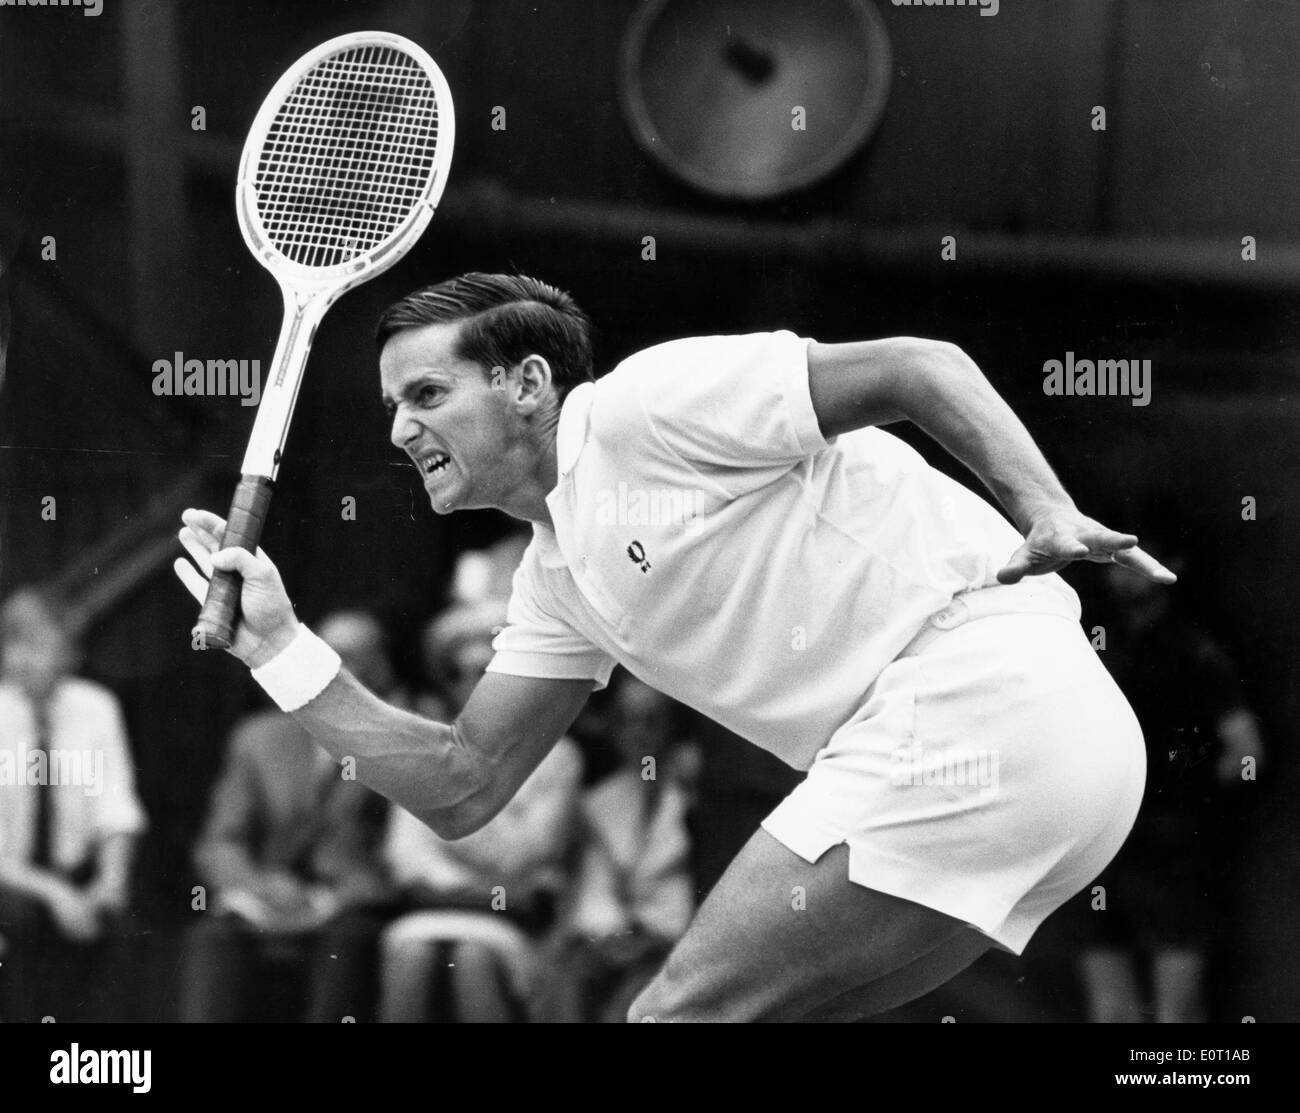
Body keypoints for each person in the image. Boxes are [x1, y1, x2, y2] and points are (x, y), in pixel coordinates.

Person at [175, 272, 1176, 1022]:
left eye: (428, 395)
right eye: (393, 405)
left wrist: (1042, 508)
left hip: (981, 696)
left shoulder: (645, 407)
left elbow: (920, 368)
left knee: (671, 1018)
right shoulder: (554, 581)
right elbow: (463, 783)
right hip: (1071, 769)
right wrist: (280, 649)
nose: (399, 430)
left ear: (527, 383)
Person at [1076, 543, 1263, 1023]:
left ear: (1173, 566)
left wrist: (1187, 793)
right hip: (1102, 848)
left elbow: (1247, 753)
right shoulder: (1095, 644)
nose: (1123, 577)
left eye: (1138, 563)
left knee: (1175, 1016)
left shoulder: (1196, 652)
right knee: (1110, 1011)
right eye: (1116, 565)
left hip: (1172, 851)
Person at [179, 610, 395, 1022]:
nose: (336, 668)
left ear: (379, 667)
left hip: (349, 905)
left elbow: (397, 854)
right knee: (212, 938)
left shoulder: (399, 738)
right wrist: (261, 886)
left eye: (352, 657)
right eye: (325, 654)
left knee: (348, 941)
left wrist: (331, 899)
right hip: (267, 894)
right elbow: (220, 841)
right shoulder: (259, 739)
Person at [377, 599, 581, 1022]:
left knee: (473, 960)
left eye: (487, 672)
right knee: (411, 957)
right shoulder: (427, 746)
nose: (473, 686)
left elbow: (529, 854)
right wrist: (470, 881)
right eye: (460, 673)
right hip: (440, 909)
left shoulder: (557, 755)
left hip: (516, 920)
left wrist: (450, 806)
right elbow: (404, 856)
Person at [0, 588, 147, 1022]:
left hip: (76, 871)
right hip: (12, 881)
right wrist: (57, 895)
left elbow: (116, 806)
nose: (31, 660)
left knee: (118, 924)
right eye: (20, 644)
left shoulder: (96, 706)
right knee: (20, 921)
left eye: (51, 648)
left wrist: (111, 880)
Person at [540, 673, 698, 1023]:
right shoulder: (598, 803)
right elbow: (594, 893)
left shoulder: (692, 801)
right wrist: (612, 935)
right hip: (615, 941)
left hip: (674, 941)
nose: (638, 734)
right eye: (627, 722)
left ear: (671, 729)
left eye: (651, 722)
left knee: (636, 997)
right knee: (569, 976)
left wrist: (652, 936)